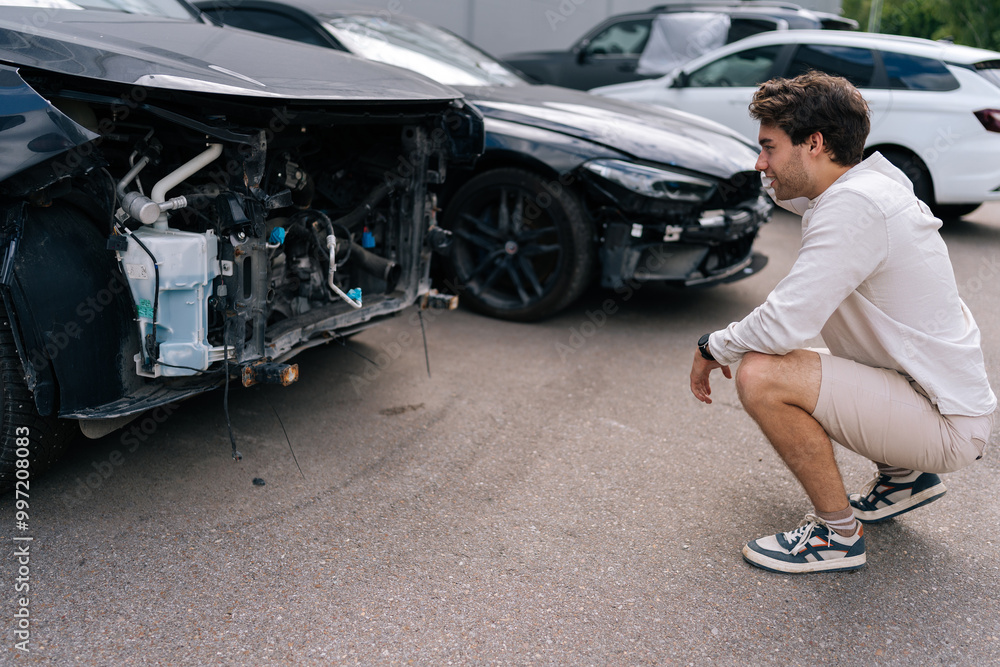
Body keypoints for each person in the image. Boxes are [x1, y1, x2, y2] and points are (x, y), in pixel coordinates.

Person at [689, 71, 996, 574]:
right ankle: (903, 479)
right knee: (793, 362)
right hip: (935, 395)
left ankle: (837, 535)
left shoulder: (855, 207)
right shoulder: (866, 184)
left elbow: (784, 322)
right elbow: (785, 190)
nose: (760, 162)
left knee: (762, 374)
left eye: (768, 147)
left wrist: (712, 346)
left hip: (945, 421)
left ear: (814, 143)